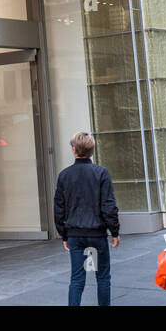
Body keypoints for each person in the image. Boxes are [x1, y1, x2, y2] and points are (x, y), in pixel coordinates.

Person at [53, 131, 120, 306]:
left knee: (77, 279)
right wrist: (114, 231)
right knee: (103, 277)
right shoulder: (101, 173)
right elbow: (108, 205)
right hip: (97, 235)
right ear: (92, 150)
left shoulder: (64, 175)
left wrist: (64, 235)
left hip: (75, 235)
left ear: (74, 150)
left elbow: (59, 208)